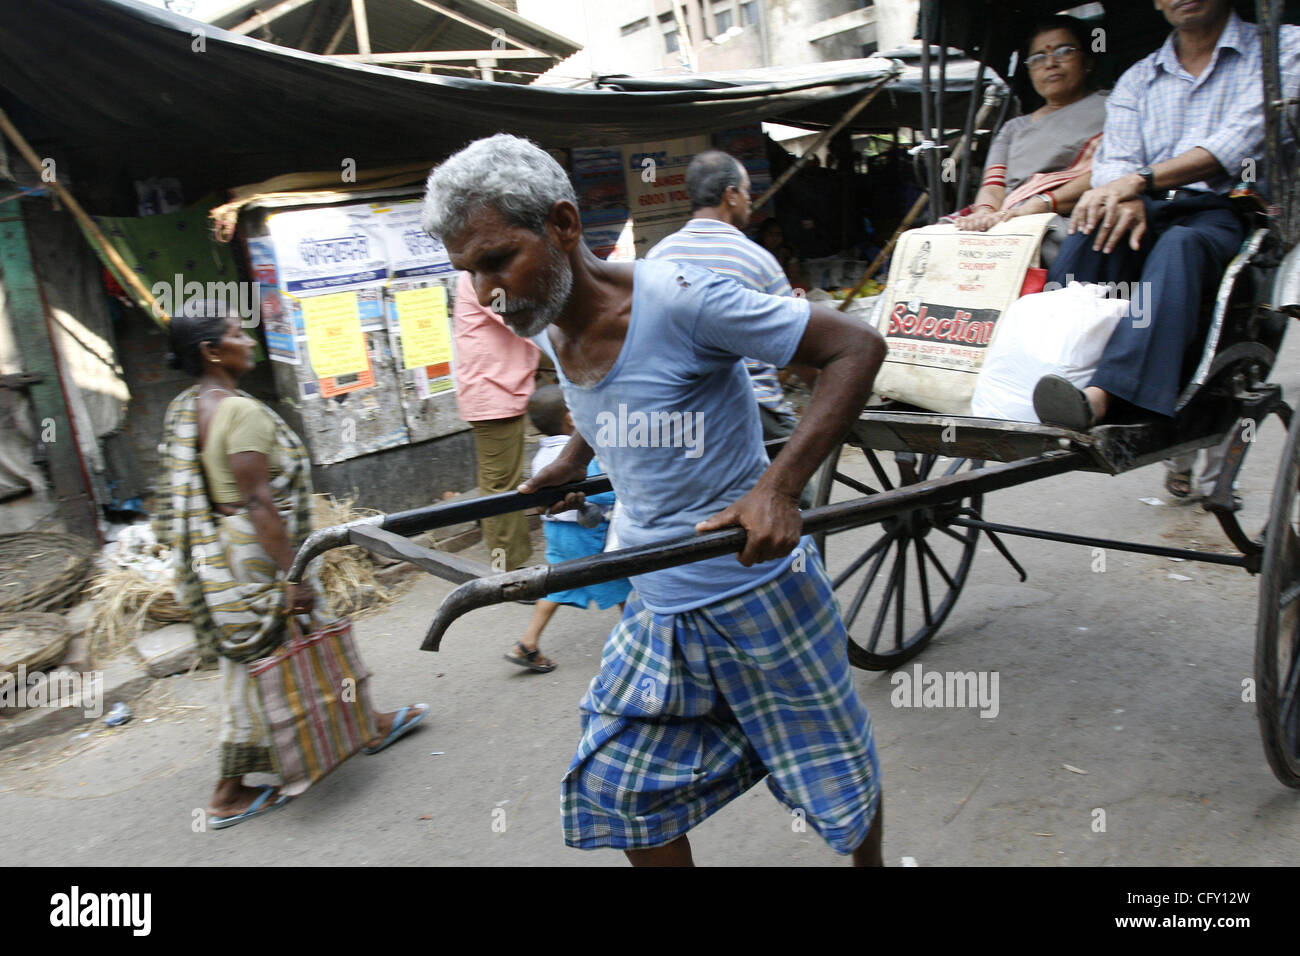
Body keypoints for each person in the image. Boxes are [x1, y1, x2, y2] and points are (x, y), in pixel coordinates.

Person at [421, 134, 887, 867]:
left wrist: (779, 488)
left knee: (834, 777)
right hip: (658, 597)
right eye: (467, 274)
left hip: (757, 587)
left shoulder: (680, 300)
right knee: (622, 790)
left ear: (564, 225)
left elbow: (855, 348)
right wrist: (574, 458)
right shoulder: (543, 319)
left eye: (495, 261)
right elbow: (612, 403)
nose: (487, 293)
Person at [155, 300, 427, 830]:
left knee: (309, 636)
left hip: (231, 549)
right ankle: (227, 792)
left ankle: (366, 724)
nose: (250, 340)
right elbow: (258, 501)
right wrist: (292, 575)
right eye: (238, 333)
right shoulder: (241, 411)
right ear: (212, 351)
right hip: (260, 553)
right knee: (261, 661)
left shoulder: (192, 405)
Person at [1033, 0, 1300, 430]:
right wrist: (1125, 195)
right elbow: (1114, 161)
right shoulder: (1139, 78)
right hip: (1149, 206)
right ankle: (1043, 371)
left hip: (1229, 214)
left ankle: (1104, 396)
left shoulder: (1280, 48)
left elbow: (1239, 142)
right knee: (1090, 233)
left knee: (1181, 244)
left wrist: (1139, 182)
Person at [646, 150, 817, 507]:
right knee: (804, 501)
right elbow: (798, 345)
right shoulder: (756, 259)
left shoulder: (657, 257)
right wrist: (825, 394)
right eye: (747, 191)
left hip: (677, 411)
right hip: (755, 413)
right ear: (730, 195)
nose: (750, 201)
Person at [951, 15, 1108, 266]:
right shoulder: (1014, 128)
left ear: (1087, 61)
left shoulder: (1113, 107)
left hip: (1066, 217)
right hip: (1007, 216)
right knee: (936, 240)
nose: (1050, 63)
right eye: (1038, 58)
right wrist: (983, 214)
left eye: (1064, 51)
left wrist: (1040, 205)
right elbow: (993, 186)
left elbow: (1111, 171)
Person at [505, 385, 630, 674]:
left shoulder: (542, 456)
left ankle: (527, 643)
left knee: (558, 586)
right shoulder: (578, 456)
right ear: (572, 418)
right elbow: (599, 496)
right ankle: (639, 646)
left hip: (557, 533)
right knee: (620, 585)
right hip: (587, 535)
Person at [451, 269, 540, 571]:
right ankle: (507, 570)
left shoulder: (484, 275)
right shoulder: (478, 279)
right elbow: (519, 320)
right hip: (493, 393)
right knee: (500, 486)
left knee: (504, 482)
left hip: (502, 389)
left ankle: (512, 560)